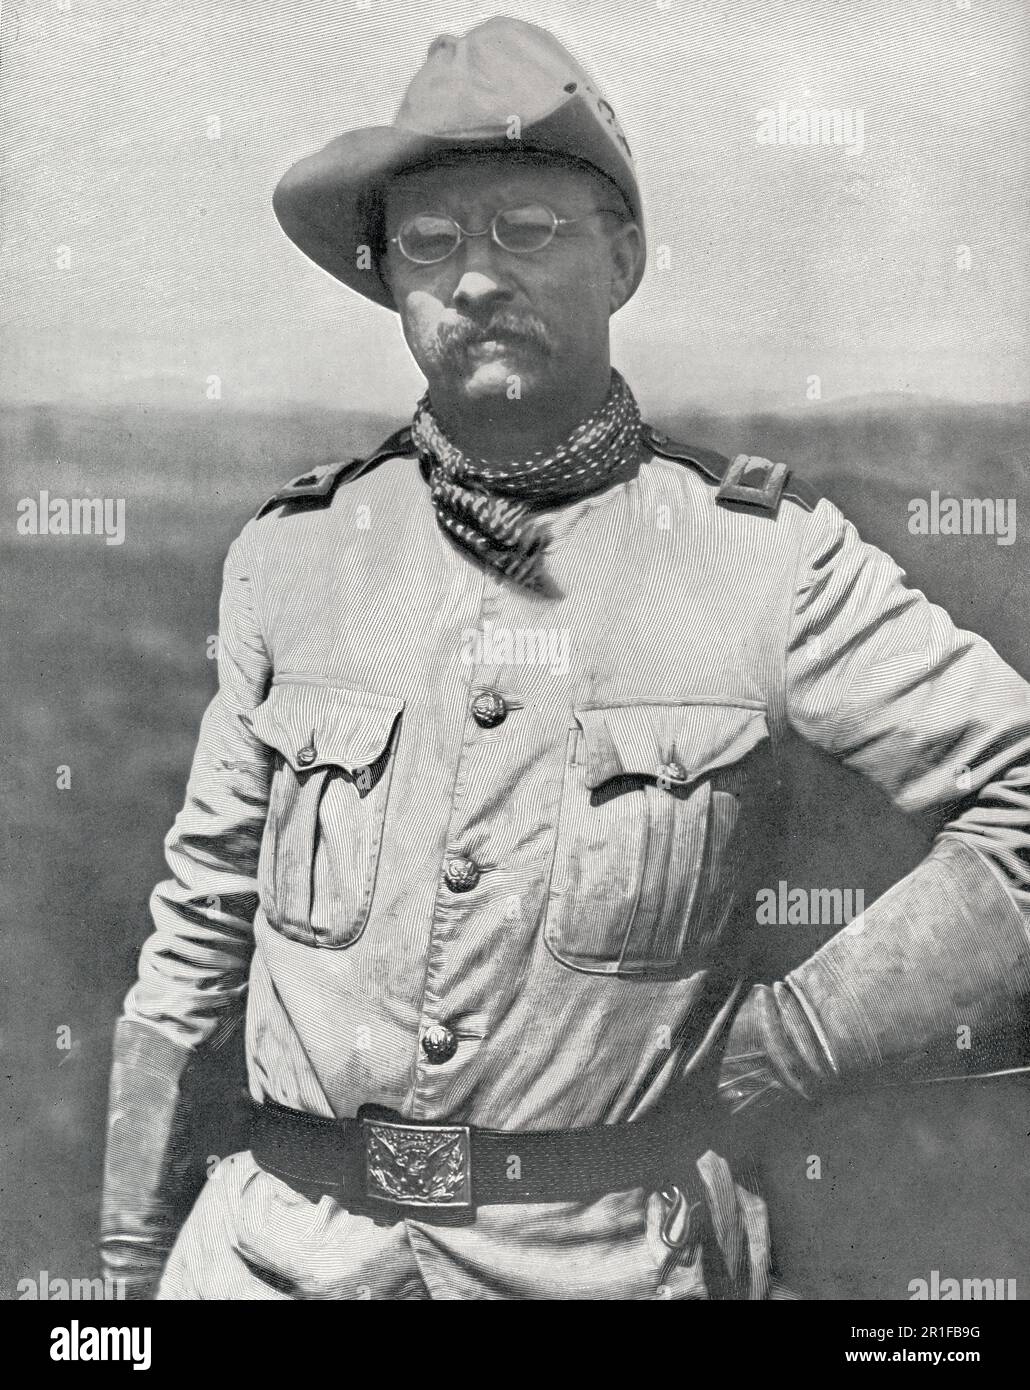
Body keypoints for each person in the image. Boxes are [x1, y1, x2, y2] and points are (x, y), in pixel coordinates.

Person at [100, 16, 1030, 1300]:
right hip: (272, 1262)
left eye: (526, 230)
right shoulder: (294, 556)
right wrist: (122, 1267)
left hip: (604, 1265)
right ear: (389, 280)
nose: (475, 277)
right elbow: (200, 926)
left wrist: (800, 1038)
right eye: (430, 240)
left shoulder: (766, 560)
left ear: (622, 259)